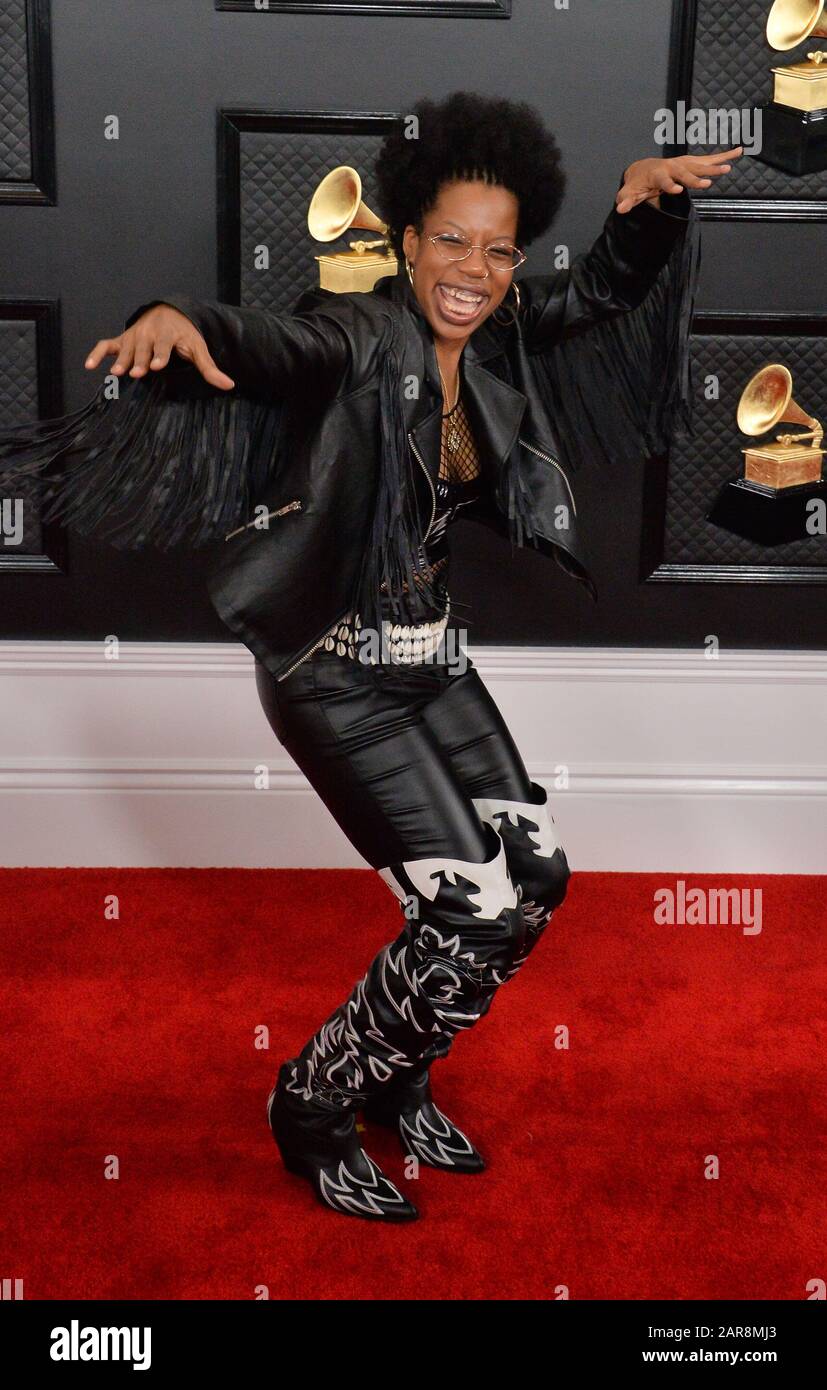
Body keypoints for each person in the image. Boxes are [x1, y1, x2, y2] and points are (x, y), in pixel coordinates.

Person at [0, 91, 742, 1222]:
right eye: (450, 240)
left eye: (496, 250)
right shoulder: (354, 336)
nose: (474, 270)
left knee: (534, 875)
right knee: (472, 909)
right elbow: (264, 339)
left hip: (431, 659)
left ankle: (396, 1077)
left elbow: (596, 292)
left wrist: (639, 208)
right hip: (333, 674)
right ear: (404, 242)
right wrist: (177, 319)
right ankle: (309, 1101)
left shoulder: (493, 334)